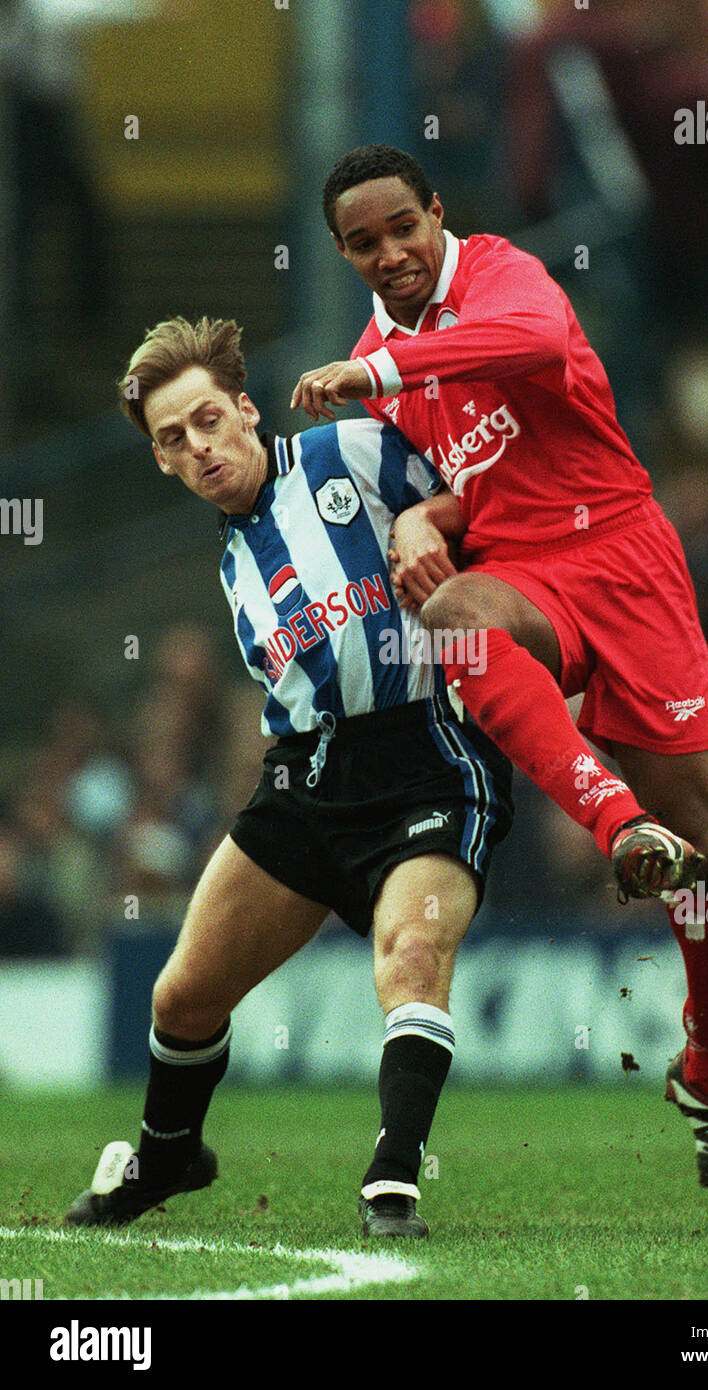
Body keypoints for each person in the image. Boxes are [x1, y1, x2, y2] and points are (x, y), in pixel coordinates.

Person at [291, 145, 708, 1210]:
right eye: (362, 243)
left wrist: (376, 376)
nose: (389, 253)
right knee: (450, 618)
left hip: (626, 559)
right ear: (341, 251)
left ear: (435, 215)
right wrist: (418, 512)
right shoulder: (376, 358)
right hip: (524, 574)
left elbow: (536, 344)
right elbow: (464, 484)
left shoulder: (500, 275)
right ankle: (611, 824)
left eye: (401, 227)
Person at [65, 315, 514, 1240]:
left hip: (426, 755)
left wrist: (435, 519)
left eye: (206, 421)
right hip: (308, 776)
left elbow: (493, 498)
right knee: (181, 998)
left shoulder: (347, 451)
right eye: (172, 439)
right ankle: (167, 1158)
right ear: (160, 461)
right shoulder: (234, 560)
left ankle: (393, 1181)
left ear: (243, 408)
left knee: (413, 961)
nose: (199, 448)